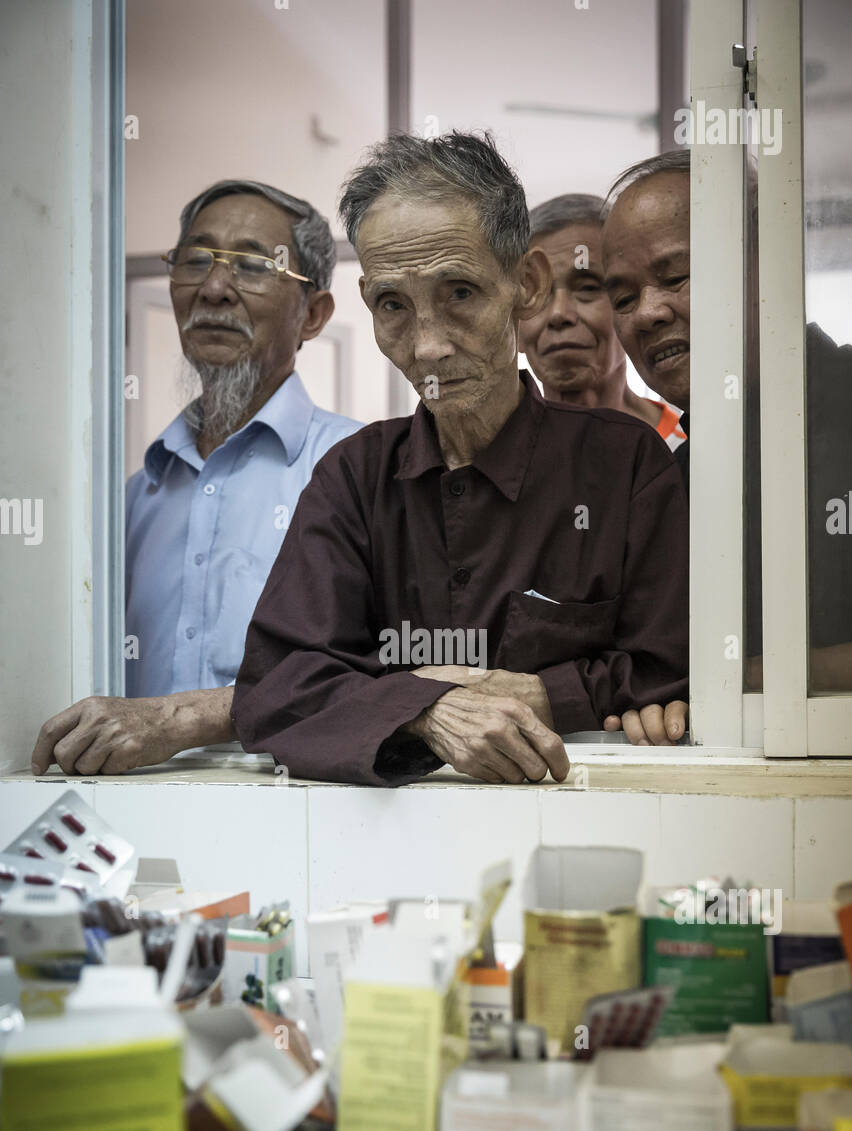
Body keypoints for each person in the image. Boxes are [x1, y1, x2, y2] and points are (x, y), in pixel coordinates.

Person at [231, 132, 689, 787]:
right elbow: (278, 686)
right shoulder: (354, 478)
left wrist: (537, 695)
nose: (428, 347)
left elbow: (668, 666)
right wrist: (429, 711)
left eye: (460, 293)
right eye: (394, 305)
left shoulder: (624, 465)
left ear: (524, 284)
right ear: (368, 305)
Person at [31, 180, 361, 776]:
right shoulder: (133, 499)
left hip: (309, 817)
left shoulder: (356, 469)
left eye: (254, 266)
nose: (214, 288)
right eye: (196, 260)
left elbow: (387, 677)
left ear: (312, 314)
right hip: (137, 818)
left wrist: (182, 720)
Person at [601, 149, 852, 698]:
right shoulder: (669, 480)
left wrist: (725, 682)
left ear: (765, 261)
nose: (648, 312)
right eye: (624, 298)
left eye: (675, 276)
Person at [519, 193, 686, 449]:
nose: (559, 314)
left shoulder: (687, 452)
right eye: (539, 294)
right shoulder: (494, 456)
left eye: (587, 287)